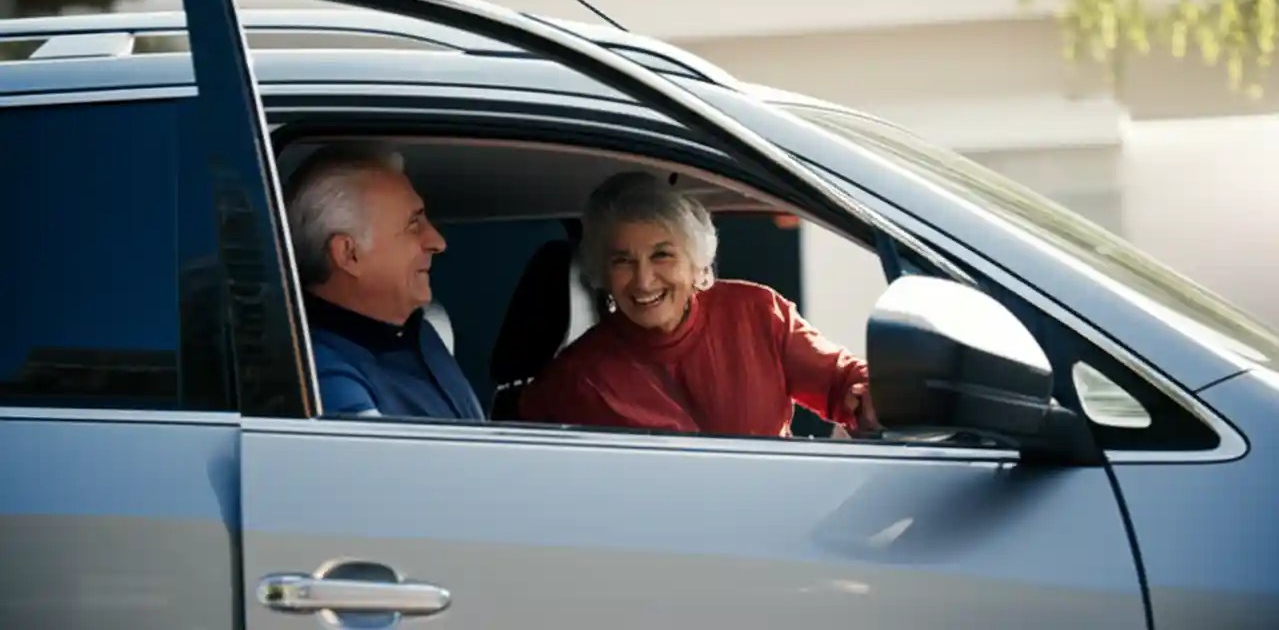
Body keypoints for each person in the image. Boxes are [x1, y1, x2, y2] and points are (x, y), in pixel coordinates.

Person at [519, 171, 875, 437]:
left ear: (696, 264)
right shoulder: (575, 379)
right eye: (622, 261)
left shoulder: (758, 314)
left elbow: (846, 382)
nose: (643, 281)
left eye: (662, 255)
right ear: (602, 272)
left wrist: (871, 400)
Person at [284, 147, 484, 420]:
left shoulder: (421, 333)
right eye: (414, 224)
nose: (438, 242)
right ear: (349, 254)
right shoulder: (322, 374)